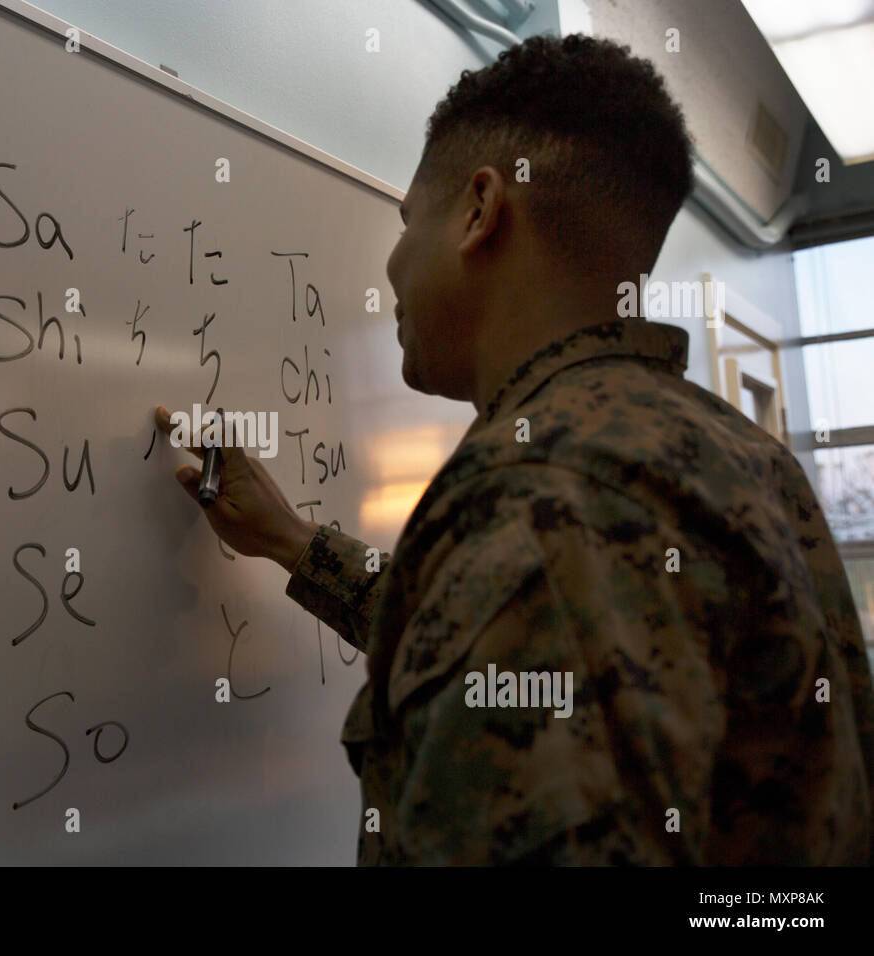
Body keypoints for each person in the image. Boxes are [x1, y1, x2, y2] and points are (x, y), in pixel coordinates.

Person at [153, 34, 873, 865]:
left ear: (479, 210)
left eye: (405, 222)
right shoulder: (740, 457)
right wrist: (291, 542)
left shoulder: (539, 492)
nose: (392, 263)